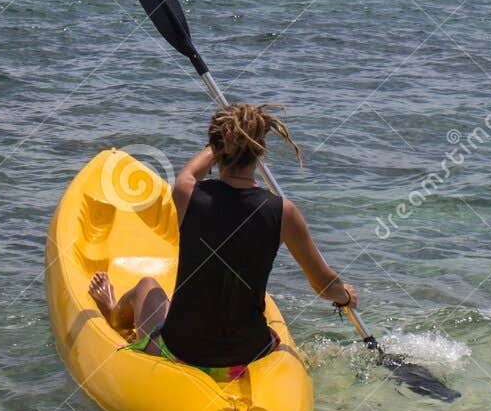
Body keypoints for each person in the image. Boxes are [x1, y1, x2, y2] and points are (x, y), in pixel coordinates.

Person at [89, 102, 356, 380]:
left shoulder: (188, 194)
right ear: (261, 147)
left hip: (181, 350)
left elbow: (190, 173)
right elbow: (324, 285)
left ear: (217, 146)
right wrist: (345, 296)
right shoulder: (283, 212)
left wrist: (223, 141)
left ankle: (113, 311)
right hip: (249, 354)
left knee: (147, 286)